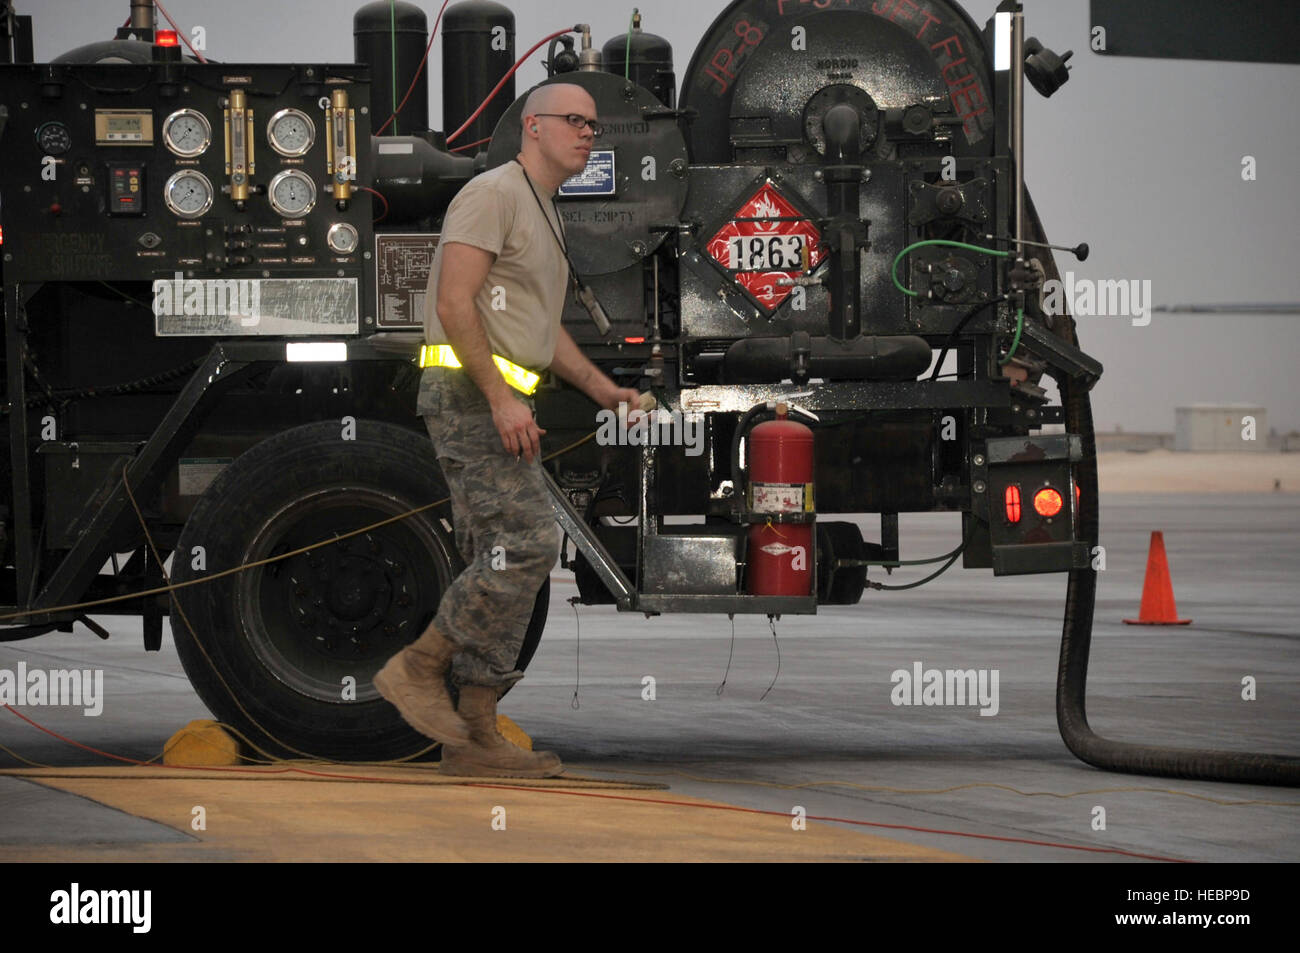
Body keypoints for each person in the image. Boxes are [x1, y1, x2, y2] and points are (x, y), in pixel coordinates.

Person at [374, 83, 638, 779]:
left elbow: (540, 331)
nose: (588, 133)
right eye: (574, 121)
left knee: (501, 553)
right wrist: (498, 398)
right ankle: (417, 669)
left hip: (496, 401)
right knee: (524, 542)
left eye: (592, 124)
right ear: (534, 127)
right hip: (468, 396)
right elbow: (454, 301)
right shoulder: (493, 193)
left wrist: (602, 388)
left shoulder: (541, 207)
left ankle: (473, 738)